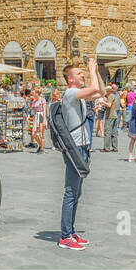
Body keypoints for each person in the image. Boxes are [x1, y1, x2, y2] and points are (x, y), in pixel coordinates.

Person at [57, 59, 102, 251]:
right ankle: (65, 236)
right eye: (79, 74)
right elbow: (94, 89)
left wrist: (97, 72)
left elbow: (101, 92)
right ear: (70, 79)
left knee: (77, 192)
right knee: (70, 192)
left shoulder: (80, 95)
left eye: (84, 73)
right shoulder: (70, 94)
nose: (83, 75)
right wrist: (91, 70)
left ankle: (71, 231)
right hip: (74, 148)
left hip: (82, 147)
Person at [102, 84, 120, 153]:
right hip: (114, 115)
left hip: (110, 116)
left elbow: (109, 105)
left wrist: (103, 102)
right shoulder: (114, 96)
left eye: (106, 91)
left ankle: (106, 148)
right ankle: (115, 147)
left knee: (107, 131)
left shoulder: (110, 96)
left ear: (108, 91)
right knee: (114, 132)